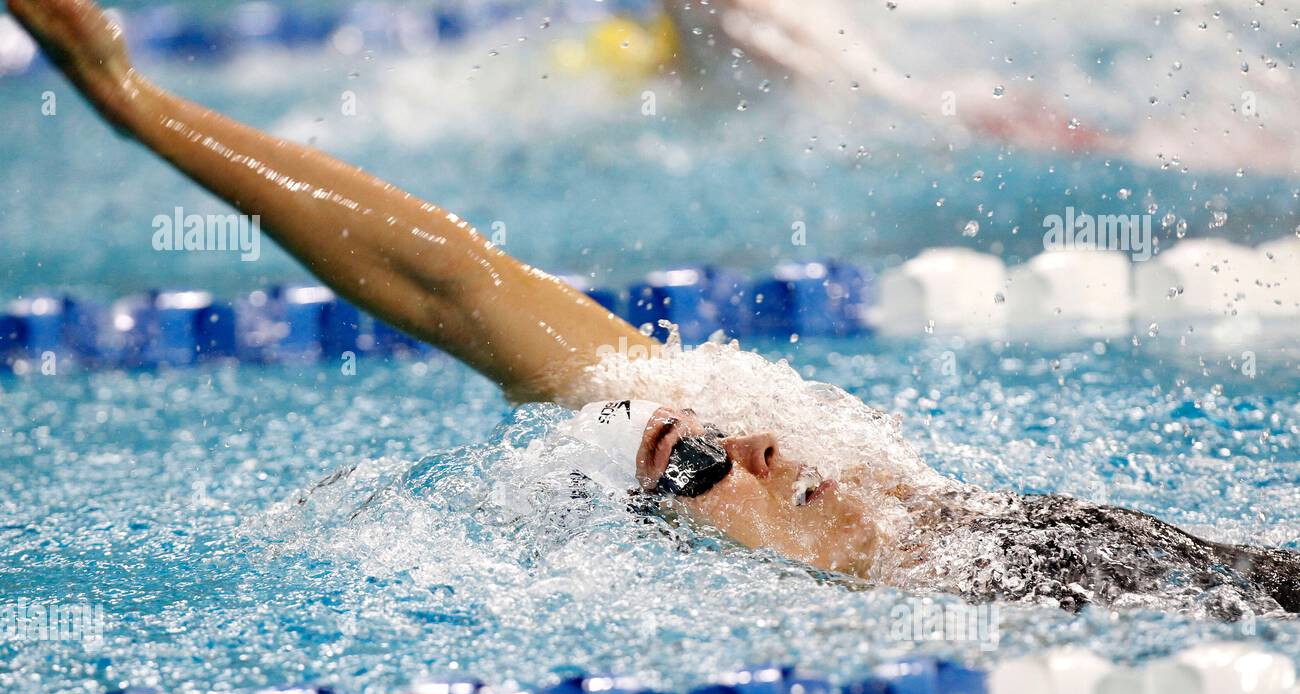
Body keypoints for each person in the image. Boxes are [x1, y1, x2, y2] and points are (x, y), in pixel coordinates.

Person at [10, 0, 1298, 617]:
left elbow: (449, 280)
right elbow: (431, 282)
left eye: (712, 447)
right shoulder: (754, 532)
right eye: (702, 464)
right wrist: (133, 103)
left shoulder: (928, 567)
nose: (762, 443)